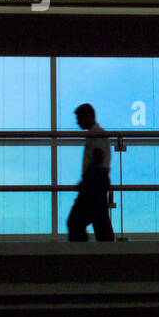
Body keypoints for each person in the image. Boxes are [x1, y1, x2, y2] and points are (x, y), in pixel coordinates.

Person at [66, 103, 115, 242]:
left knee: (76, 222)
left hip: (94, 182)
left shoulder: (96, 134)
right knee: (100, 223)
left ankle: (82, 254)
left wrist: (85, 179)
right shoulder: (96, 134)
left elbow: (98, 157)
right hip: (98, 181)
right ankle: (108, 255)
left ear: (89, 116)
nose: (78, 122)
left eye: (80, 118)